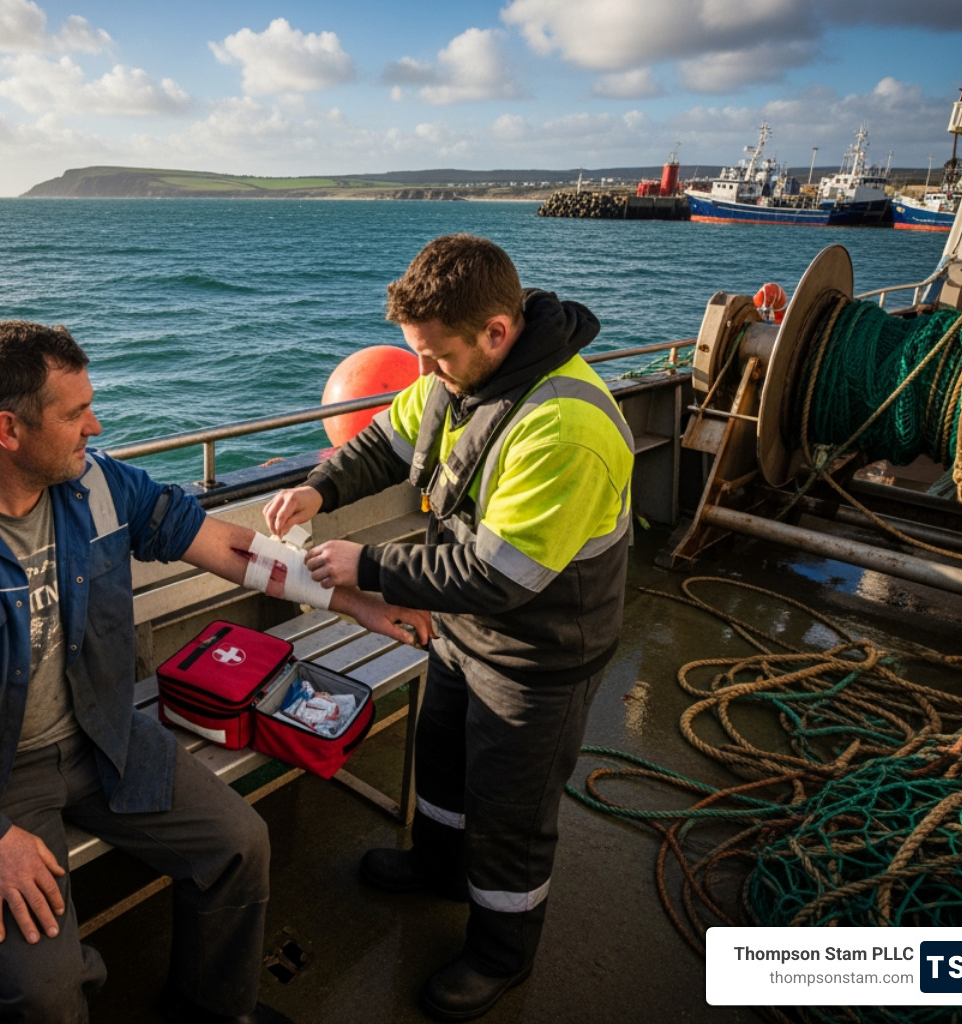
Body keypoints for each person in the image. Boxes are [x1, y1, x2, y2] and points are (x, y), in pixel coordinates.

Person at [0, 319, 429, 1024]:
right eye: (73, 413)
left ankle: (210, 1010)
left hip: (103, 739)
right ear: (8, 430)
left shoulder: (97, 483)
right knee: (44, 991)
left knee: (240, 846)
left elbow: (231, 547)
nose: (95, 424)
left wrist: (353, 601)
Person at [264, 234, 634, 1021]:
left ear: (497, 332)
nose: (423, 371)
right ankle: (436, 868)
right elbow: (386, 441)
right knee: (439, 763)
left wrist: (363, 568)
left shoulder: (566, 426)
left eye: (434, 356)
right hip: (463, 635)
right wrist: (316, 489)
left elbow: (498, 576)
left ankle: (501, 954)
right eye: (416, 355)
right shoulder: (451, 378)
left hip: (539, 655)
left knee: (511, 815)